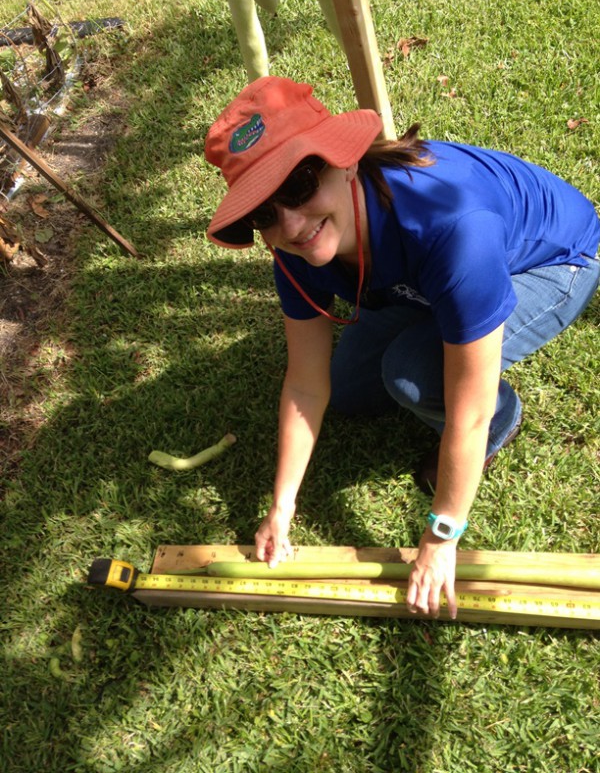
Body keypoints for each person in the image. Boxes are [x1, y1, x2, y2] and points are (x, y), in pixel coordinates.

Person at [204, 76, 600, 618]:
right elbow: (305, 383)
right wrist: (280, 508)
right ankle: (430, 308)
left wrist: (441, 538)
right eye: (264, 214)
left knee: (410, 373)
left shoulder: (452, 229)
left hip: (557, 261)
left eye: (298, 187)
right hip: (429, 274)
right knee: (346, 388)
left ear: (343, 161)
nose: (291, 226)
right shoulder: (293, 248)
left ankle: (505, 419)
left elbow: (468, 408)